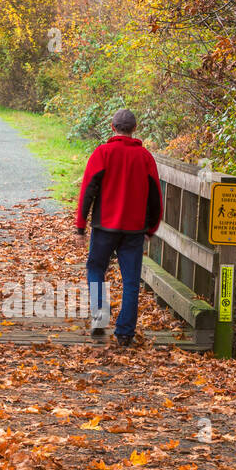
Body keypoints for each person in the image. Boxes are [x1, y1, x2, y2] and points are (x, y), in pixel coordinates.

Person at [75, 108, 162, 347]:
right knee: (131, 280)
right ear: (135, 129)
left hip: (105, 226)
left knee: (95, 268)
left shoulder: (103, 153)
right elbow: (156, 195)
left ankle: (100, 318)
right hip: (134, 230)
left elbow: (88, 190)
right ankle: (125, 333)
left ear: (112, 128)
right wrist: (151, 228)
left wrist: (81, 226)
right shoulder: (145, 158)